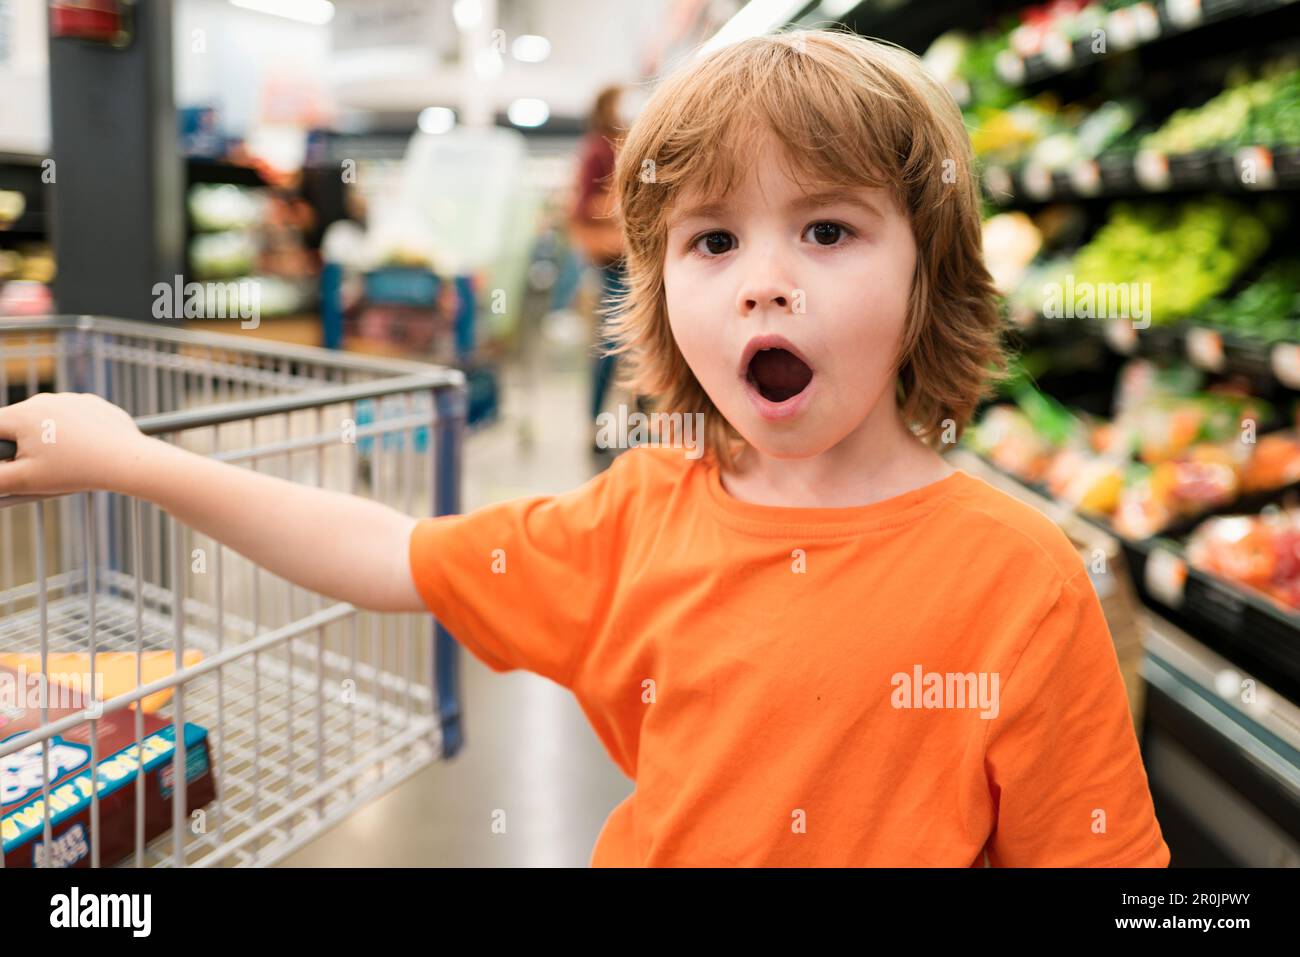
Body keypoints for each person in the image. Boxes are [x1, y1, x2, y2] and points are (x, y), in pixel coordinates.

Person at [0, 29, 1169, 867]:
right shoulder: (636, 517)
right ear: (657, 295)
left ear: (930, 276)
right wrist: (137, 459)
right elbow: (386, 553)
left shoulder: (1021, 583)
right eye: (712, 241)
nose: (764, 283)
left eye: (827, 228)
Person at [567, 84, 630, 442]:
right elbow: (583, 207)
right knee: (612, 342)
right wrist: (625, 203)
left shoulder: (617, 144)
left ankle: (616, 424)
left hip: (625, 260)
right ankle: (596, 424)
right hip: (612, 261)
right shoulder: (597, 150)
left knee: (625, 342)